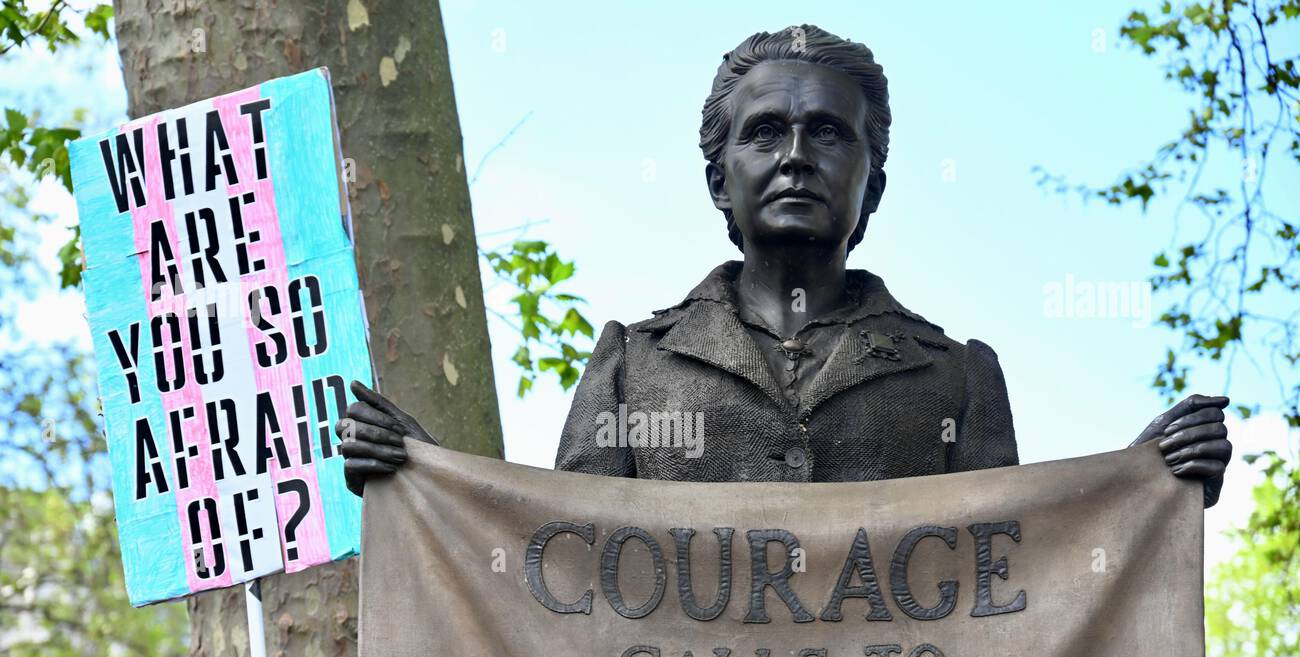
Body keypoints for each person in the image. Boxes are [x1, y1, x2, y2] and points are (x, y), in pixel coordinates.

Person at [338, 24, 1231, 506]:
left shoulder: (957, 379)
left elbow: (1013, 581)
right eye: (766, 132)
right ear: (718, 180)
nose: (797, 156)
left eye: (828, 134)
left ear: (870, 182)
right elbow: (563, 570)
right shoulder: (628, 368)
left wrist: (1134, 488)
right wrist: (428, 484)